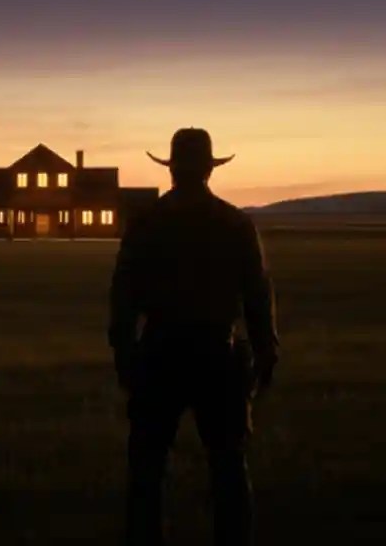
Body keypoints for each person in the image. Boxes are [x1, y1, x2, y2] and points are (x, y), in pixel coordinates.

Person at [109, 128, 279, 546]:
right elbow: (257, 294)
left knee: (147, 470)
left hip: (160, 353)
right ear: (209, 168)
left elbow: (123, 296)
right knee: (228, 468)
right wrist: (265, 350)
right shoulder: (235, 223)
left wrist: (125, 356)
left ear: (172, 170)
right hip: (217, 356)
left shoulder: (146, 222)